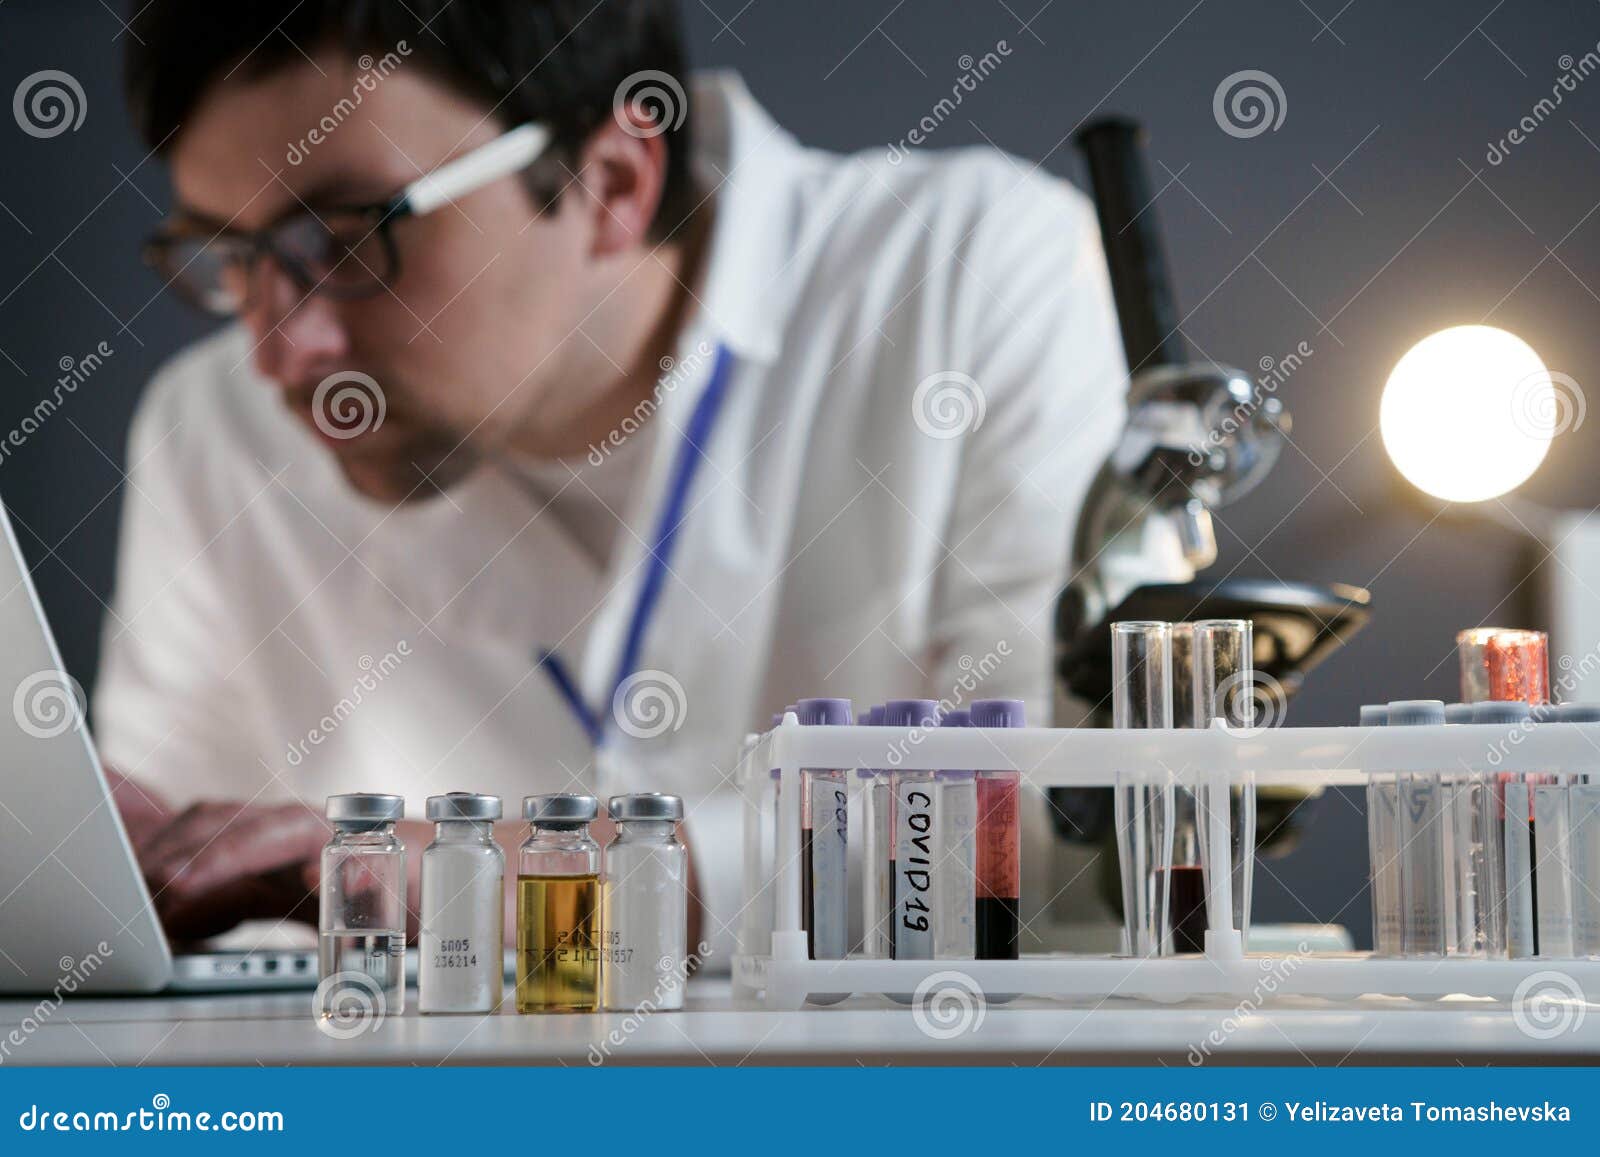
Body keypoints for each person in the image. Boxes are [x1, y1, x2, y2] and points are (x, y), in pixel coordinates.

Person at [101, 0, 1146, 960]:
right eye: (226, 256)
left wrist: (457, 879)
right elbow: (180, 922)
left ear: (610, 181)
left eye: (346, 241)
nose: (280, 352)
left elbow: (1056, 835)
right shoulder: (214, 430)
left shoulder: (965, 271)